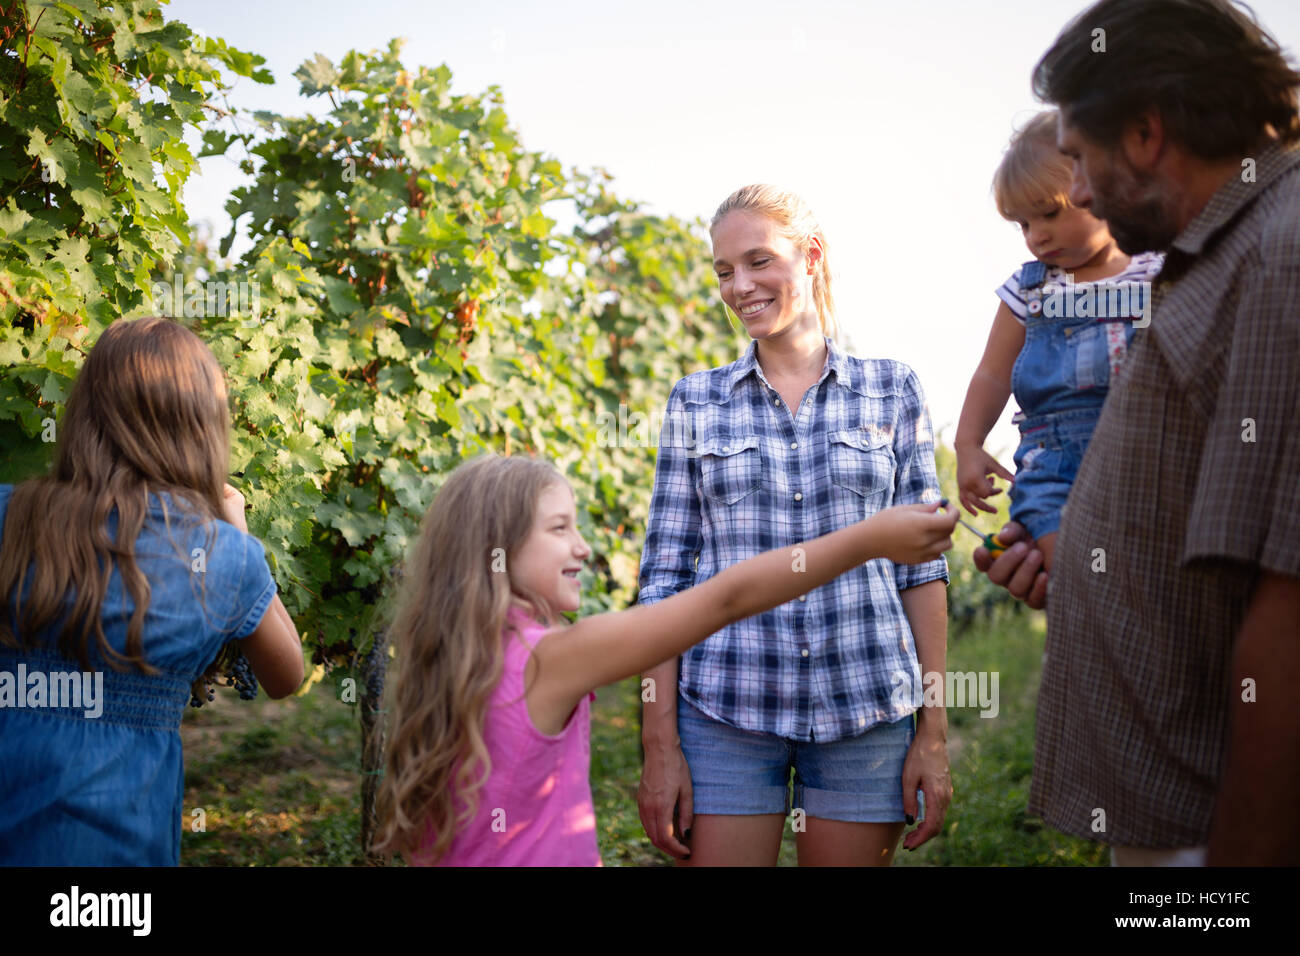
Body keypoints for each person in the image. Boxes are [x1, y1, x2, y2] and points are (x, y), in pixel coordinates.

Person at [976, 0, 1300, 865]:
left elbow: (1288, 599)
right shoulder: (1222, 257)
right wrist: (1081, 570)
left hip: (1216, 828)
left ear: (1148, 132)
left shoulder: (1281, 256)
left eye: (1079, 160)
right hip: (1170, 805)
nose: (1074, 192)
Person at [371, 454, 957, 866]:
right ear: (497, 547)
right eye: (558, 529)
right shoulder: (549, 659)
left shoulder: (447, 663)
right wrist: (868, 538)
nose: (582, 546)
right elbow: (725, 599)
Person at [636, 184, 953, 867]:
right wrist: (659, 748)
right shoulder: (695, 401)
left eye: (758, 261)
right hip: (725, 711)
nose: (739, 285)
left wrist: (933, 730)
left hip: (865, 709)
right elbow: (663, 582)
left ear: (810, 258)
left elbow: (923, 572)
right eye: (724, 271)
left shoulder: (892, 389)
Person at [0, 316, 304, 865]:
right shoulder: (221, 556)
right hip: (117, 841)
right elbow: (287, 676)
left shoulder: (8, 515)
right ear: (201, 429)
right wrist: (239, 530)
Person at [956, 111, 1163, 572]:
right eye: (1023, 225)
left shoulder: (1157, 272)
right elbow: (992, 373)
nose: (1037, 236)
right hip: (1053, 462)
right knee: (1068, 566)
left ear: (1104, 186)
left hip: (1148, 453)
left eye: (1049, 213)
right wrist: (968, 444)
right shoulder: (1028, 292)